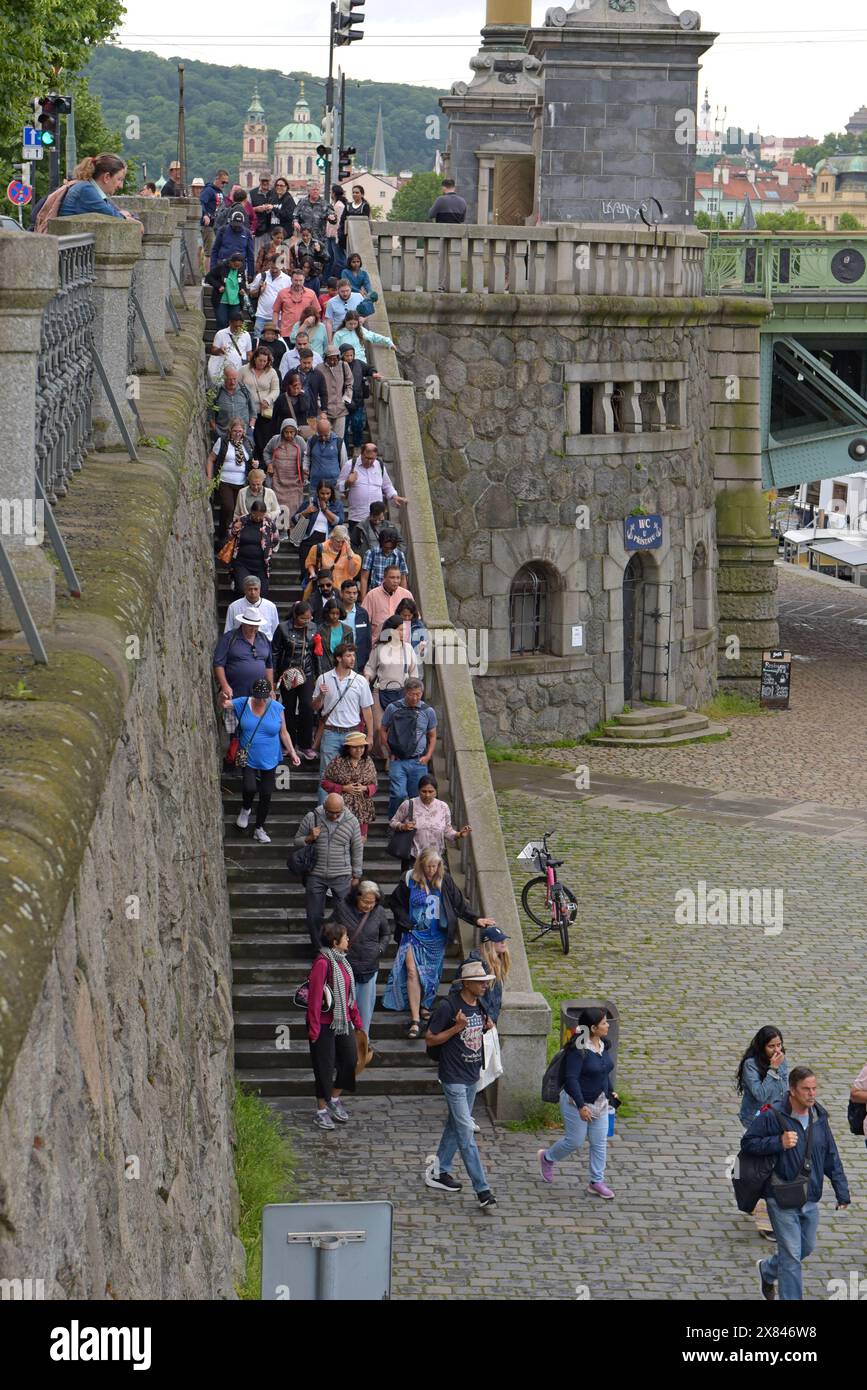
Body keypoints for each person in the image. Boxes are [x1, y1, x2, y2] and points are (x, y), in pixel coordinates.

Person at [744, 1066, 850, 1302]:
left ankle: (768, 1270)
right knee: (791, 1257)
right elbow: (748, 1143)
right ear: (792, 1090)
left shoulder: (819, 1118)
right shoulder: (772, 1115)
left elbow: (831, 1155)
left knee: (806, 1247)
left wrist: (842, 1191)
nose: (812, 1094)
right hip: (779, 1196)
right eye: (806, 1089)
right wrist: (777, 1142)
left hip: (809, 1196)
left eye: (814, 1088)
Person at [384, 848, 494, 1035]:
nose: (431, 870)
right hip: (413, 934)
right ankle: (415, 1019)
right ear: (421, 864)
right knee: (412, 972)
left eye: (435, 866)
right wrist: (405, 921)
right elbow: (394, 902)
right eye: (428, 866)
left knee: (431, 975)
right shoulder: (409, 879)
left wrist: (476, 920)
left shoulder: (445, 880)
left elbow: (459, 904)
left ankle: (425, 1005)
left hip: (436, 936)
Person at [423, 960, 497, 1206]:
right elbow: (431, 1039)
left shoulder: (481, 1004)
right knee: (466, 1134)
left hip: (471, 1076)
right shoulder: (449, 1006)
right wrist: (457, 1027)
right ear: (466, 983)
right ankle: (483, 1190)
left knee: (456, 1125)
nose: (485, 986)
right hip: (453, 1078)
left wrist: (486, 1028)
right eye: (480, 982)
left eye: (486, 982)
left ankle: (440, 1170)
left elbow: (476, 1035)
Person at [538, 1007, 619, 1200]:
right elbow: (571, 1079)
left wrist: (610, 1091)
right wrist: (582, 1105)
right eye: (604, 1023)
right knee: (574, 1141)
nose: (608, 1026)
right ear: (593, 1027)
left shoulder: (603, 1045)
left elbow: (603, 1071)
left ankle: (596, 1181)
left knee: (599, 1143)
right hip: (576, 1101)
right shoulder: (578, 1050)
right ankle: (547, 1157)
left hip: (599, 1101)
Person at [306, 920, 364, 1130]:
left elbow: (350, 996)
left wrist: (356, 1020)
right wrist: (313, 1028)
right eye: (345, 937)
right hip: (322, 1024)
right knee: (324, 1067)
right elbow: (313, 999)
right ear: (334, 941)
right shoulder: (322, 962)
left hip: (342, 1022)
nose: (348, 939)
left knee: (350, 1060)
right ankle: (321, 1110)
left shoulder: (343, 963)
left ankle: (334, 1097)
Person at [231, 678, 300, 844]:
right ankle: (246, 809)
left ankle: (259, 828)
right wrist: (223, 695)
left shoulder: (276, 707)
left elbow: (284, 732)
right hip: (248, 755)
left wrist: (292, 752)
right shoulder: (243, 703)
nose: (261, 700)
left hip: (270, 756)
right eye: (258, 696)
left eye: (264, 696)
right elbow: (225, 704)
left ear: (270, 694)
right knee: (249, 786)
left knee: (266, 794)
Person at [736, 1026, 790, 1240]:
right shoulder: (751, 1065)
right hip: (755, 1121)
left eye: (779, 1045)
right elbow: (759, 1094)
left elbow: (784, 1090)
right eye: (771, 1046)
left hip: (777, 1120)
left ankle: (763, 1207)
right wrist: (773, 1071)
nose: (776, 1050)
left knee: (771, 1168)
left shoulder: (782, 1060)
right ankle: (763, 1215)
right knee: (762, 1169)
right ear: (762, 1046)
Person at [295, 794, 363, 951]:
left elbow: (357, 848)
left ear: (343, 808)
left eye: (338, 812)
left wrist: (357, 874)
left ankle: (340, 947)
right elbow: (297, 840)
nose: (334, 816)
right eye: (330, 812)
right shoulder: (312, 817)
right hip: (315, 874)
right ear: (324, 807)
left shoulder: (352, 821)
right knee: (313, 915)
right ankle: (320, 949)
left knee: (345, 913)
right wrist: (310, 837)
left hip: (342, 874)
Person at [312, 642, 374, 796]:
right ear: (338, 658)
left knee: (352, 776)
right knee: (326, 776)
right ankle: (324, 814)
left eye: (353, 655)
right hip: (330, 732)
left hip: (353, 733)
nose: (352, 659)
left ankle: (346, 815)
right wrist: (321, 695)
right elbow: (315, 707)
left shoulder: (360, 681)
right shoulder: (324, 678)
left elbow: (367, 710)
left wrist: (370, 735)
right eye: (348, 655)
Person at [333, 881, 389, 1038]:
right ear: (357, 897)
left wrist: (380, 949)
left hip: (369, 967)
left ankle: (363, 1043)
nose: (368, 906)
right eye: (365, 902)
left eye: (372, 903)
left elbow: (386, 934)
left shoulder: (379, 912)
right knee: (344, 1008)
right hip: (345, 966)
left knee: (365, 1011)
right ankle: (346, 1041)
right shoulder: (342, 908)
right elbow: (331, 930)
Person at [379, 676, 437, 817]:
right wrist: (389, 750)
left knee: (416, 797)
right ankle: (394, 822)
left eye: (418, 694)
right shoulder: (393, 708)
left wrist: (428, 756)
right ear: (405, 692)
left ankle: (413, 826)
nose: (415, 698)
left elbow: (432, 735)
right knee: (398, 794)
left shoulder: (428, 711)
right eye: (412, 694)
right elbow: (382, 729)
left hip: (418, 761)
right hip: (398, 760)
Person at [273, 600, 319, 760]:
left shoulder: (313, 627)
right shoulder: (283, 628)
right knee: (289, 708)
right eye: (303, 619)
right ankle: (289, 743)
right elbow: (275, 653)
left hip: (306, 672)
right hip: (288, 673)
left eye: (309, 618)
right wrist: (274, 677)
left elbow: (315, 653)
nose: (307, 622)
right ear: (295, 616)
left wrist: (318, 675)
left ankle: (306, 744)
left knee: (307, 706)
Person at [390, 773, 470, 863]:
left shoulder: (443, 807)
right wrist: (402, 826)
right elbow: (393, 822)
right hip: (413, 857)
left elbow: (447, 831)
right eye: (424, 791)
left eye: (430, 791)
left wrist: (459, 834)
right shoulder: (409, 804)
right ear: (418, 791)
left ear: (436, 792)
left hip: (435, 859)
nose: (427, 795)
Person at [364, 616, 420, 738]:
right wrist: (367, 677)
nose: (403, 633)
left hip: (402, 693)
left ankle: (392, 755)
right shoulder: (379, 648)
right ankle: (380, 754)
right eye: (400, 630)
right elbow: (370, 667)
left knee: (397, 728)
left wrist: (414, 691)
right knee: (379, 728)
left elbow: (414, 672)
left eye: (404, 630)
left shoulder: (408, 648)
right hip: (379, 692)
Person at [338, 443, 405, 539]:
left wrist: (394, 496)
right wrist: (348, 482)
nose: (369, 461)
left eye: (372, 459)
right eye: (366, 458)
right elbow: (338, 486)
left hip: (377, 518)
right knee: (358, 547)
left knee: (377, 544)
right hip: (357, 516)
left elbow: (387, 485)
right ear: (361, 454)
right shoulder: (350, 465)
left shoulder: (380, 465)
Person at [213, 610, 274, 713]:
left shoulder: (263, 638)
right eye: (250, 626)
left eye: (256, 626)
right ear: (243, 623)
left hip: (259, 697)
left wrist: (271, 688)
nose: (254, 629)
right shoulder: (229, 638)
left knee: (256, 727)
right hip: (235, 695)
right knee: (234, 727)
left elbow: (269, 666)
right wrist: (224, 685)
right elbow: (218, 664)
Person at [321, 731, 378, 841]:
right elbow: (324, 783)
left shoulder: (368, 761)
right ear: (347, 748)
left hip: (363, 810)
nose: (359, 750)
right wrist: (343, 788)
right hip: (341, 809)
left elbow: (374, 785)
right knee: (341, 840)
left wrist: (365, 788)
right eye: (355, 747)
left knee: (359, 842)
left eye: (361, 747)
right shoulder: (338, 762)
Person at [52, 154, 139, 224]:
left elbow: (117, 212)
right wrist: (125, 217)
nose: (121, 186)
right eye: (119, 179)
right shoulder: (86, 190)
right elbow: (115, 218)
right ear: (107, 177)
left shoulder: (93, 190)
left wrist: (126, 216)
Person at [207, 417, 254, 536]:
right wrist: (209, 477)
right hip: (224, 480)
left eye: (240, 431)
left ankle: (233, 537)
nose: (238, 434)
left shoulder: (247, 442)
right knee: (228, 508)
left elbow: (251, 459)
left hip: (242, 482)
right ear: (230, 430)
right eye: (235, 431)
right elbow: (211, 459)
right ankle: (223, 535)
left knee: (238, 511)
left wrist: (255, 464)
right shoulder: (222, 441)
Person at [224, 499, 280, 598]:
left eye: (261, 515)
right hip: (242, 562)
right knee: (242, 589)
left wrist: (268, 550)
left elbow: (275, 540)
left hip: (261, 564)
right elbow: (229, 536)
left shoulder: (269, 524)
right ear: (251, 512)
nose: (258, 518)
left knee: (262, 592)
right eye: (255, 515)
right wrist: (234, 529)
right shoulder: (242, 520)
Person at [291, 482, 345, 582]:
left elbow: (339, 521)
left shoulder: (336, 504)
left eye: (328, 493)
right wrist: (306, 512)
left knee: (324, 572)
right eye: (322, 493)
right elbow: (294, 519)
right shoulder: (310, 502)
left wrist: (325, 509)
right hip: (308, 541)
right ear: (317, 492)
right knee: (306, 571)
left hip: (326, 542)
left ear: (331, 493)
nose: (325, 496)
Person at [460, 926, 509, 1026]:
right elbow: (463, 992)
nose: (503, 942)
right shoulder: (475, 964)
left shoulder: (497, 963)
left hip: (487, 1022)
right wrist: (485, 1017)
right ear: (489, 943)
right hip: (474, 1021)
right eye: (499, 940)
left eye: (503, 939)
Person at [263, 419, 306, 528]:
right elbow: (266, 452)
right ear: (282, 431)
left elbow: (306, 457)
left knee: (293, 505)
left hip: (294, 481)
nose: (289, 435)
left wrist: (305, 470)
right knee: (278, 505)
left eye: (292, 432)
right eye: (286, 432)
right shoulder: (275, 440)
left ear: (296, 431)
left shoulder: (300, 441)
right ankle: (279, 529)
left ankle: (291, 529)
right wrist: (269, 464)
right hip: (277, 479)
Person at [338, 343, 379, 456]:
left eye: (351, 355)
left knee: (358, 424)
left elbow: (369, 368)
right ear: (342, 356)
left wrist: (373, 373)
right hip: (343, 403)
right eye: (347, 355)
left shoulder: (359, 364)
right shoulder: (338, 366)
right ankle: (344, 450)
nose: (350, 358)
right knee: (344, 429)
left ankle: (357, 446)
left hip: (358, 402)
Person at [240, 347, 280, 460]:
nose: (262, 363)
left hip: (264, 412)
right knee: (248, 439)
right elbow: (237, 386)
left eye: (264, 361)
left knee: (263, 440)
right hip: (247, 411)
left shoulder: (272, 372)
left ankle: (262, 465)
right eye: (260, 360)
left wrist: (268, 399)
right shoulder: (244, 370)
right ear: (254, 358)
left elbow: (276, 390)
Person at [365, 565, 415, 648]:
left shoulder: (407, 595)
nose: (396, 581)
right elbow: (365, 622)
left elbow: (415, 619)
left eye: (398, 578)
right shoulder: (372, 595)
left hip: (402, 646)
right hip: (379, 645)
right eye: (392, 578)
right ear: (384, 578)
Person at [304, 524, 361, 592]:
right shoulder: (319, 548)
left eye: (343, 542)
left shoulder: (352, 555)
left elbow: (352, 573)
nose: (340, 544)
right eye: (338, 541)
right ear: (331, 538)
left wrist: (350, 556)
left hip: (342, 592)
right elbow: (310, 563)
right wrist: (312, 573)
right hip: (324, 589)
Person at [224, 574, 279, 642]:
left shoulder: (271, 607)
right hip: (240, 646)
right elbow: (228, 632)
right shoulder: (233, 607)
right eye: (250, 589)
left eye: (255, 589)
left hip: (265, 646)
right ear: (244, 590)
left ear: (260, 589)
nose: (253, 592)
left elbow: (276, 632)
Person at [360, 526, 409, 601]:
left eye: (391, 548)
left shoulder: (399, 555)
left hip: (393, 595)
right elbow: (364, 578)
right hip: (374, 594)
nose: (388, 550)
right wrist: (363, 599)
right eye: (386, 547)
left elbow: (403, 578)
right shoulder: (371, 554)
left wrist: (404, 599)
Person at [210, 367, 256, 443]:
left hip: (244, 435)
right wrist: (215, 429)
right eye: (229, 379)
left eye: (235, 379)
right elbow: (210, 413)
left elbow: (253, 412)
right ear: (224, 378)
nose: (233, 382)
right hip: (223, 435)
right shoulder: (217, 391)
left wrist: (251, 428)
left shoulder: (245, 390)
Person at [207, 306, 253, 382]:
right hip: (223, 370)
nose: (238, 328)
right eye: (236, 326)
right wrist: (219, 350)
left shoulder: (246, 335)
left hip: (240, 369)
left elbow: (249, 353)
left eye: (240, 326)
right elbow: (213, 350)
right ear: (230, 323)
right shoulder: (220, 334)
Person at [271, 269, 320, 339]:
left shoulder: (311, 293)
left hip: (305, 333)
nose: (298, 283)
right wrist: (275, 327)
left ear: (304, 280)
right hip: (286, 332)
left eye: (300, 280)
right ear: (291, 280)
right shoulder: (282, 293)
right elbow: (276, 311)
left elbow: (317, 312)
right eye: (296, 280)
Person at [249, 259, 291, 339]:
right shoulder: (261, 276)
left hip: (279, 317)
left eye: (276, 268)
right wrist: (260, 290)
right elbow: (251, 294)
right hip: (262, 316)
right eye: (272, 267)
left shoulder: (287, 280)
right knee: (258, 339)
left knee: (277, 340)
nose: (274, 270)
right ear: (269, 265)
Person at [319, 345, 354, 439]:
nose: (332, 361)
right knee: (324, 437)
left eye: (335, 359)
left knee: (339, 439)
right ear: (325, 358)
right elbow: (316, 389)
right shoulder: (319, 368)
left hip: (340, 409)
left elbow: (349, 383)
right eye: (330, 359)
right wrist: (320, 405)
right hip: (324, 410)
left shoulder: (343, 365)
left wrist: (346, 398)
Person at [307, 415, 350, 492]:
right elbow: (307, 456)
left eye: (326, 435)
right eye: (320, 435)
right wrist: (305, 468)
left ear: (330, 430)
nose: (323, 438)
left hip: (334, 485)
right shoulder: (311, 440)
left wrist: (343, 482)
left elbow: (344, 463)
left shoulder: (339, 442)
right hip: (315, 484)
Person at [211, 208, 255, 281]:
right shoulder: (223, 230)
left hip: (239, 268)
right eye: (234, 225)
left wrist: (251, 273)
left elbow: (250, 255)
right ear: (230, 221)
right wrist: (213, 268)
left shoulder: (247, 233)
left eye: (238, 225)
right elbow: (215, 250)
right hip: (223, 266)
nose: (236, 227)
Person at [272, 371, 316, 440]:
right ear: (289, 386)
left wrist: (301, 396)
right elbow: (274, 417)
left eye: (298, 388)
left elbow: (304, 408)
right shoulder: (281, 399)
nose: (296, 391)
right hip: (284, 433)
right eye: (293, 388)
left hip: (299, 433)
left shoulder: (304, 397)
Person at [338, 579, 372, 670]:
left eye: (355, 593)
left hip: (359, 660)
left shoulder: (363, 613)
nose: (352, 595)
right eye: (348, 592)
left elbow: (367, 639)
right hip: (339, 658)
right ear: (341, 593)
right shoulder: (335, 612)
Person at [200, 169, 230, 268]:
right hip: (209, 225)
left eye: (226, 183)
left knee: (216, 250)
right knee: (209, 251)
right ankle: (208, 276)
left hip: (218, 225)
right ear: (217, 179)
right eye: (223, 182)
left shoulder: (220, 192)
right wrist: (205, 214)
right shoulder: (209, 190)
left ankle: (214, 273)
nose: (224, 184)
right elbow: (202, 202)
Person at [316, 599, 354, 674]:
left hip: (343, 667)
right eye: (332, 613)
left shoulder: (347, 630)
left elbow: (351, 651)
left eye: (337, 613)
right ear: (327, 613)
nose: (335, 616)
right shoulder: (320, 630)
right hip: (326, 668)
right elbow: (318, 654)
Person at [249, 173, 276, 254]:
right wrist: (256, 209)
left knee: (270, 254)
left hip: (271, 229)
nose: (265, 183)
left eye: (267, 181)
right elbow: (247, 210)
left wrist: (272, 208)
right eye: (263, 181)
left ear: (270, 181)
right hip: (258, 229)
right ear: (259, 181)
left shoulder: (275, 193)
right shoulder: (252, 193)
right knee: (257, 253)